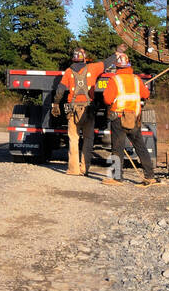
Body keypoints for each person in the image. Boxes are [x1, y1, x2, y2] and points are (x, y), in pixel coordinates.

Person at [101, 48, 156, 186]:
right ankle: (150, 176)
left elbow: (107, 99)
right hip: (134, 118)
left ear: (117, 67)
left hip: (119, 118)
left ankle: (117, 178)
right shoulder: (136, 79)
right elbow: (146, 95)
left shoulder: (115, 80)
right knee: (140, 147)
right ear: (129, 65)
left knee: (117, 148)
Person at [52, 44, 105, 177]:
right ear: (84, 58)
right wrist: (118, 53)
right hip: (88, 109)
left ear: (74, 58)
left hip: (73, 109)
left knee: (73, 138)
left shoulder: (69, 72)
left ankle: (73, 169)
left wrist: (56, 104)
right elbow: (107, 63)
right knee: (88, 138)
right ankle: (84, 169)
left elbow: (60, 90)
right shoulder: (93, 68)